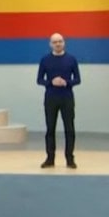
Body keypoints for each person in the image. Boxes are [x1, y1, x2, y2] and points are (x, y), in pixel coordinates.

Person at [37, 33, 80, 168]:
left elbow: (78, 79)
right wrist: (51, 82)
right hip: (51, 98)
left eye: (60, 41)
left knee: (69, 129)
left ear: (64, 43)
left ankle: (70, 159)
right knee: (50, 129)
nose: (58, 44)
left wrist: (66, 82)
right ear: (50, 44)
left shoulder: (71, 59)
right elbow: (39, 80)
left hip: (67, 98)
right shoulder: (45, 60)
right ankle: (50, 158)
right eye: (55, 42)